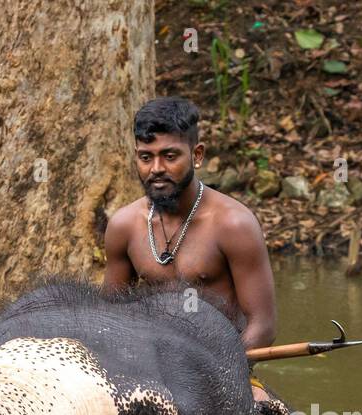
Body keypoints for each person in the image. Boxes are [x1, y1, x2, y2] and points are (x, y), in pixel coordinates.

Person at [103, 97, 278, 371]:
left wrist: (222, 370)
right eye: (146, 157)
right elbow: (109, 319)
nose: (156, 168)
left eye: (170, 156)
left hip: (224, 369)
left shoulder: (234, 225)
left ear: (197, 155)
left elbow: (263, 325)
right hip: (153, 371)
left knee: (267, 411)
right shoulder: (123, 226)